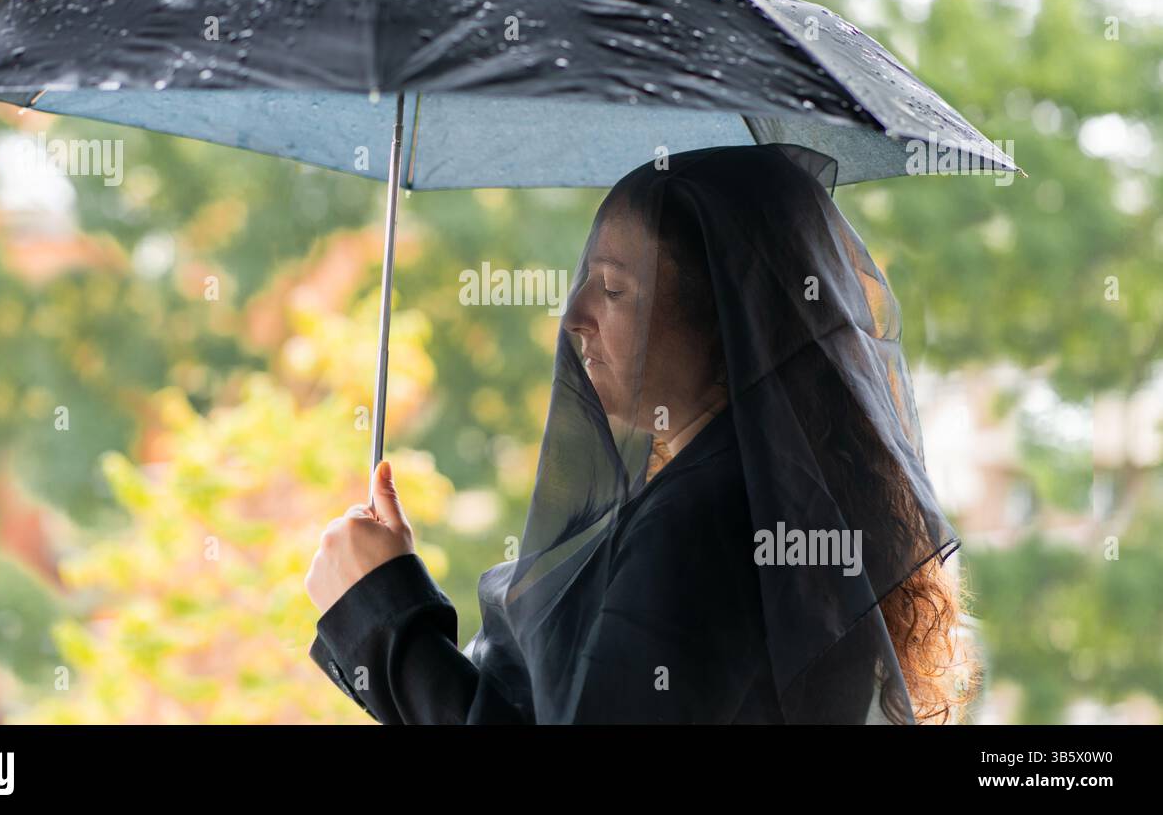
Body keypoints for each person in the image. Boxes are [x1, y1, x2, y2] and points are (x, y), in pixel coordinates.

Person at [303, 143, 979, 724]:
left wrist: (385, 612)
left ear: (723, 313)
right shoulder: (766, 504)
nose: (574, 316)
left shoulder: (703, 521)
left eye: (614, 289)